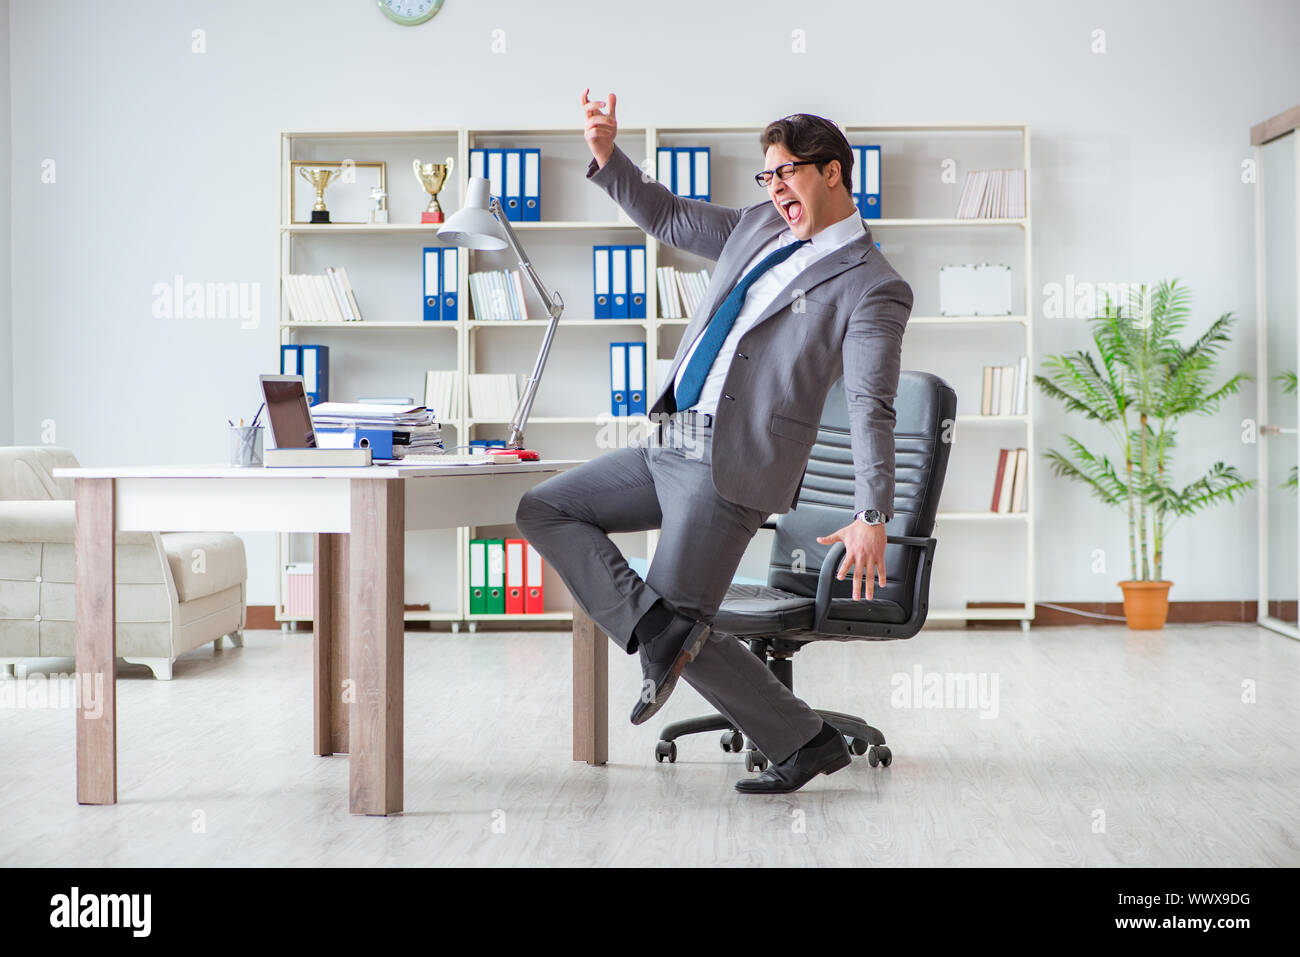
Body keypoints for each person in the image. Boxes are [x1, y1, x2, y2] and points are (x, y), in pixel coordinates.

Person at [515, 90, 913, 794]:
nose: (776, 187)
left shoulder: (873, 285)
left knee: (677, 634)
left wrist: (872, 511)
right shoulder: (758, 224)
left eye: (788, 171)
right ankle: (793, 728)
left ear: (832, 172)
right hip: (669, 441)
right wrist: (608, 154)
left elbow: (869, 403)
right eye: (768, 174)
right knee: (546, 509)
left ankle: (796, 737)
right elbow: (669, 216)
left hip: (731, 466)